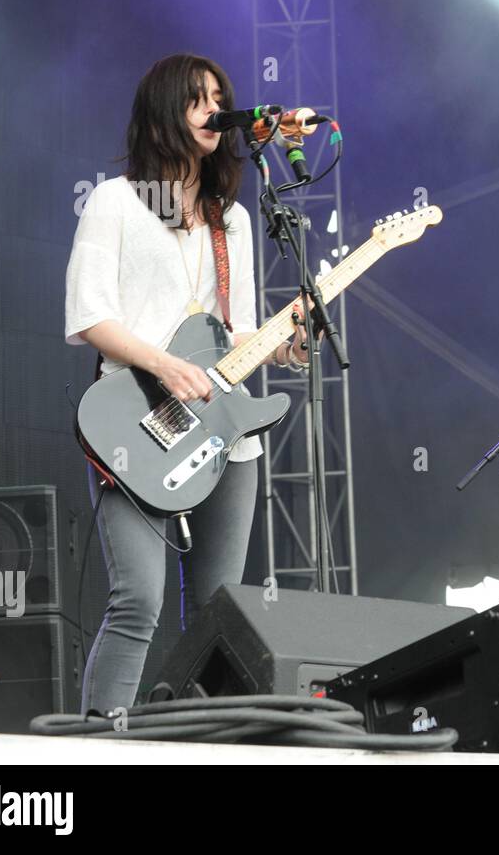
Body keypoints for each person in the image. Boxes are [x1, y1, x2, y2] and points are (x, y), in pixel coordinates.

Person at [64, 54, 313, 713]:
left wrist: (284, 344)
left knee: (216, 614)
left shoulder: (231, 219)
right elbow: (90, 314)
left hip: (223, 432)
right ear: (164, 113)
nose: (213, 108)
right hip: (137, 421)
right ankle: (97, 748)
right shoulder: (118, 201)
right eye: (198, 98)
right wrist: (164, 363)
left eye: (219, 97)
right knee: (138, 600)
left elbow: (234, 334)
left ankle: (197, 745)